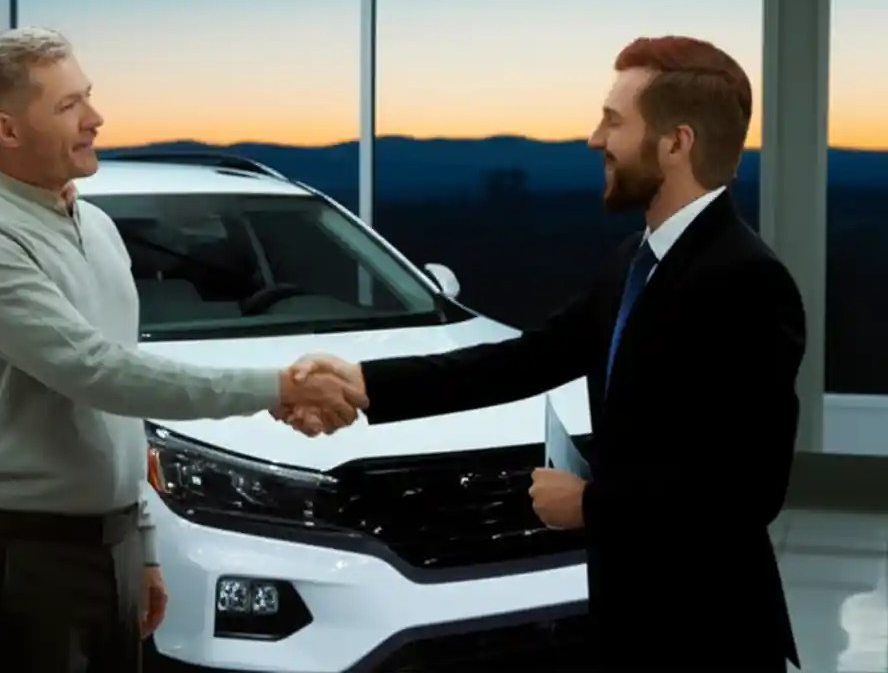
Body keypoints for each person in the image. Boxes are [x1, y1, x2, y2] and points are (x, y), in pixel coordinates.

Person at [285, 36, 806, 672]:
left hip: (708, 630)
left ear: (677, 143)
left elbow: (747, 492)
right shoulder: (633, 264)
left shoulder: (747, 283)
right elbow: (523, 360)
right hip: (632, 614)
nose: (594, 139)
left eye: (614, 121)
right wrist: (364, 382)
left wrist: (587, 505)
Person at [0, 26, 364, 673]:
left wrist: (144, 546)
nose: (95, 119)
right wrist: (283, 387)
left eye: (89, 97)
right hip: (30, 554)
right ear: (7, 130)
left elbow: (120, 410)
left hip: (116, 539)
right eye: (68, 105)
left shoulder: (97, 227)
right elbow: (101, 376)